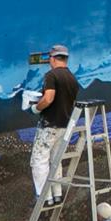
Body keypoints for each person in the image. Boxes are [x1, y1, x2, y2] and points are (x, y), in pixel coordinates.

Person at [29, 44, 80, 199]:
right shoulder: (72, 78)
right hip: (65, 125)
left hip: (50, 124)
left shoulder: (51, 76)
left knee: (38, 160)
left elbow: (49, 98)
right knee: (54, 160)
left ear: (52, 58)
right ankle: (56, 194)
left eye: (49, 58)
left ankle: (44, 196)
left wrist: (36, 108)